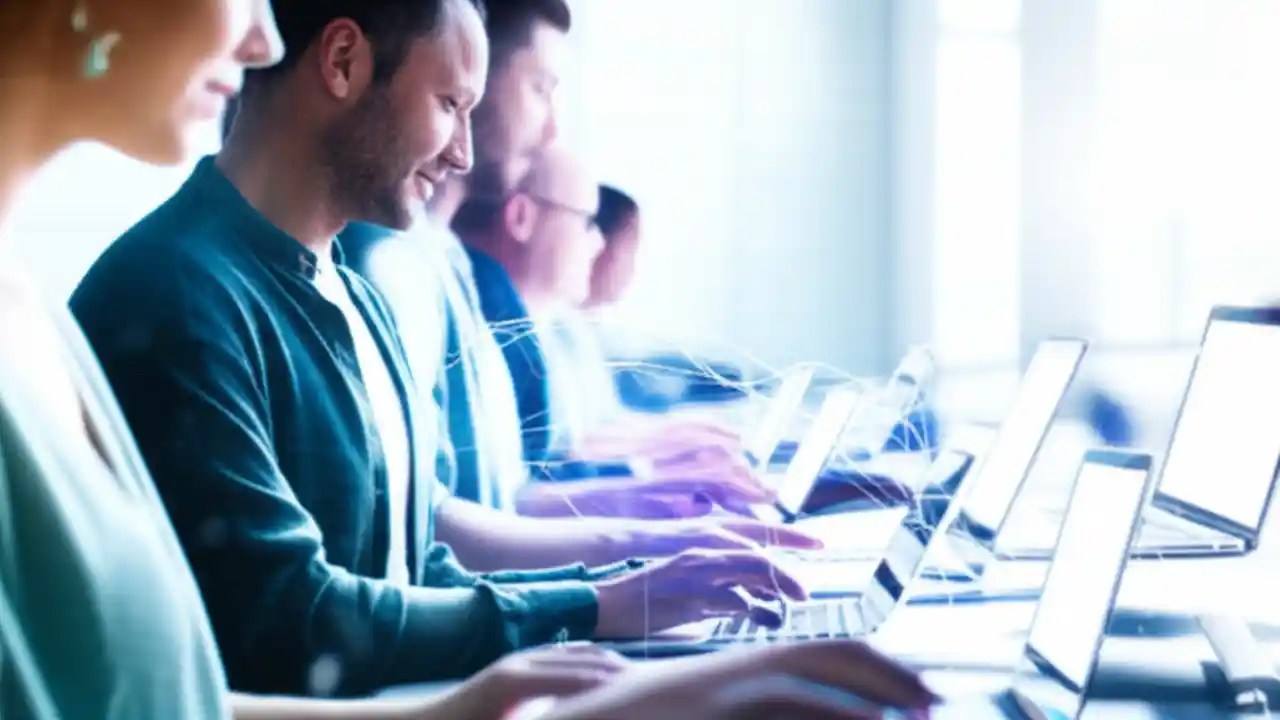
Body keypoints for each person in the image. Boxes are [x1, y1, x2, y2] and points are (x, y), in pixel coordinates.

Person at [70, 0, 819, 698]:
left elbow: (414, 562)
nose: (464, 153)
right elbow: (292, 621)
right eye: (450, 105)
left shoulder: (353, 295)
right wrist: (599, 606)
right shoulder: (177, 296)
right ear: (341, 62)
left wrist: (636, 586)